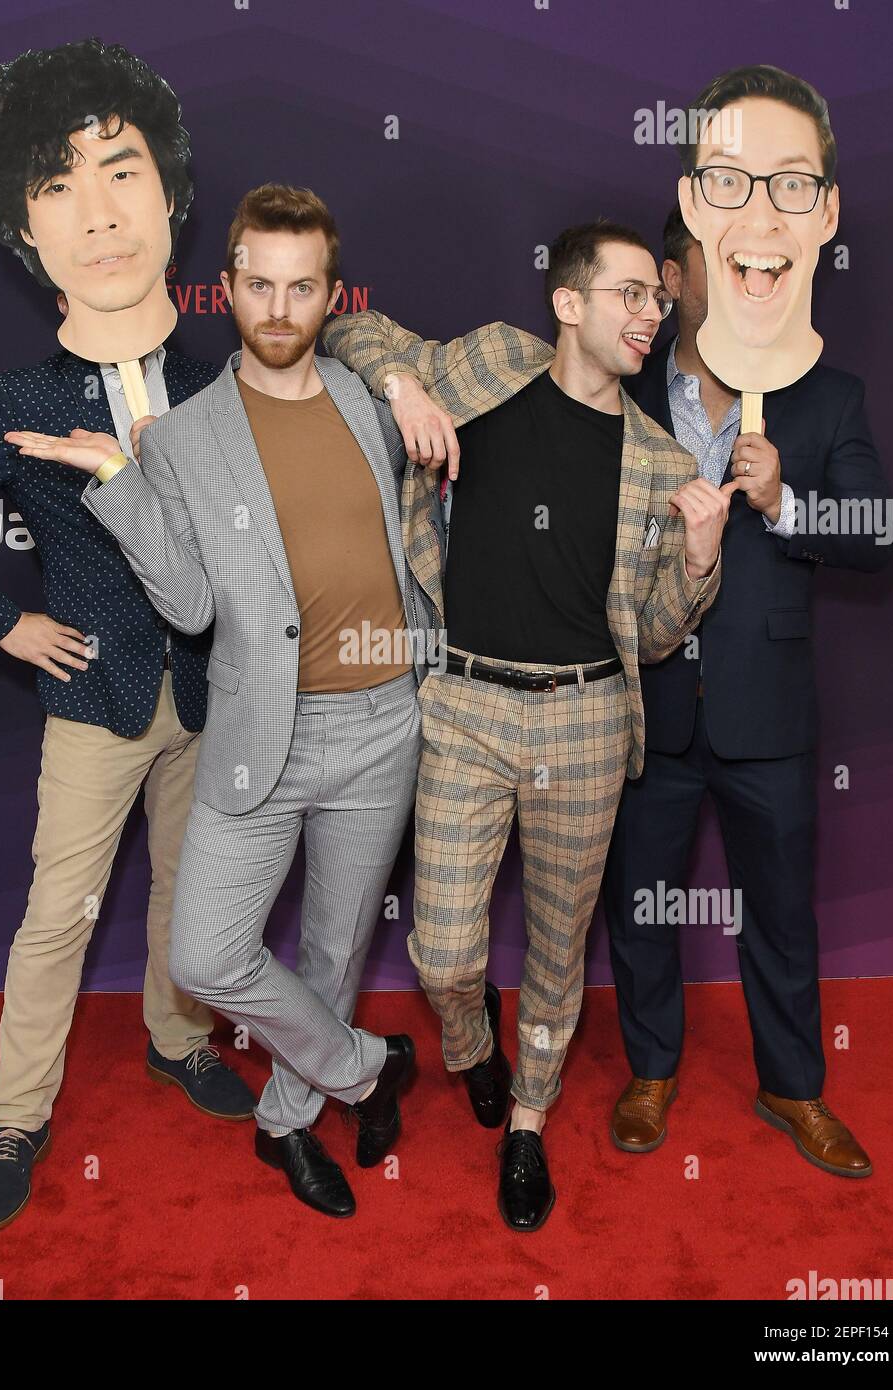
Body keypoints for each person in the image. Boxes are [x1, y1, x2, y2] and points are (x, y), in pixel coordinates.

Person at [7, 184, 440, 1220]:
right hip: (260, 733)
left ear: (330, 294)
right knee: (208, 952)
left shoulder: (372, 397)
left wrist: (398, 372)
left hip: (385, 723)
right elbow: (192, 606)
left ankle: (287, 1119)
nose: (279, 307)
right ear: (228, 288)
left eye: (301, 287)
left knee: (336, 947)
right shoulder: (184, 436)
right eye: (258, 284)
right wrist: (119, 474)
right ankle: (363, 1067)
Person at [0, 39, 253, 1236]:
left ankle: (175, 1041)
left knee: (191, 902)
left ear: (172, 197)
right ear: (23, 234)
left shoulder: (224, 384)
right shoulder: (21, 402)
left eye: (120, 170)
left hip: (209, 696)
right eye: (56, 186)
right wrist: (6, 623)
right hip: (93, 702)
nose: (97, 214)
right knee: (59, 915)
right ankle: (18, 1114)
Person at [322, 219, 730, 1230]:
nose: (651, 314)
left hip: (588, 715)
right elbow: (349, 329)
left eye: (656, 299)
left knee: (556, 951)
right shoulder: (492, 363)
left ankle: (528, 1125)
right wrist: (403, 389)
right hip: (461, 703)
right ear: (567, 303)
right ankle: (471, 1046)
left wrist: (700, 558)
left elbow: (658, 632)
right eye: (630, 294)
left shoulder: (655, 455)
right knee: (443, 954)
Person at [601, 67, 893, 1178]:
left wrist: (786, 502)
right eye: (727, 192)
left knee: (779, 913)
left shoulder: (829, 396)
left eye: (783, 191)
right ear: (687, 243)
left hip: (768, 718)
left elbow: (879, 536)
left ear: (814, 221)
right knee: (640, 906)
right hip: (648, 707)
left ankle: (792, 1089)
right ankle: (648, 1070)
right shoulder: (622, 393)